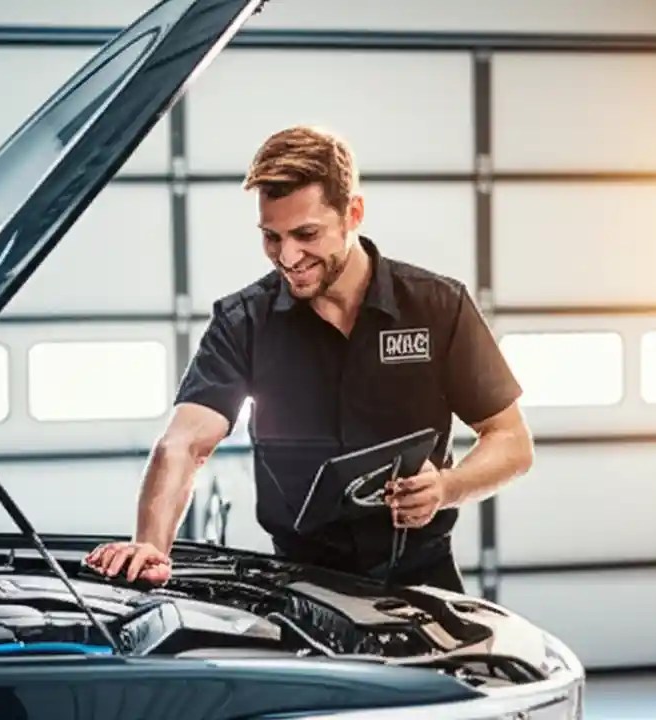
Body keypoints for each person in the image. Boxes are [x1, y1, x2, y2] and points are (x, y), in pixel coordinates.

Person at [86, 125, 533, 592]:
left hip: (422, 582)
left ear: (353, 213)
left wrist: (447, 488)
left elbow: (510, 439)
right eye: (271, 237)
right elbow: (182, 445)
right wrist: (151, 547)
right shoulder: (244, 323)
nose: (287, 256)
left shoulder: (438, 307)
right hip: (300, 588)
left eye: (306, 233)